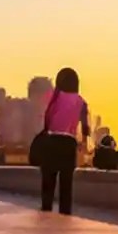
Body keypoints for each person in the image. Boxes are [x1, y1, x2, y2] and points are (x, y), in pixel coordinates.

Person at [38, 67, 90, 214]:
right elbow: (85, 126)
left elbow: (47, 118)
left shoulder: (55, 97)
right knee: (66, 183)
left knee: (49, 179)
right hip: (69, 142)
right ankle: (65, 212)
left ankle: (46, 208)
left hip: (52, 141)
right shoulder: (81, 102)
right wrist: (83, 143)